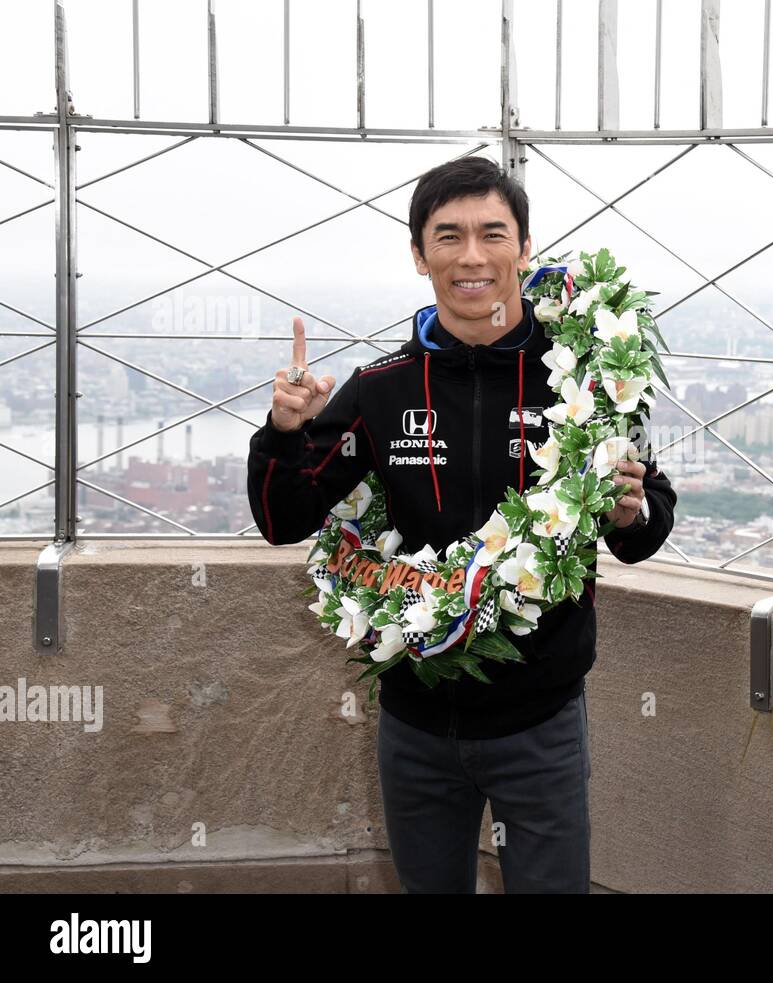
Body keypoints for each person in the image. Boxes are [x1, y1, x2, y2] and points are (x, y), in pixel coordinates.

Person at [246, 156, 676, 893]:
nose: (472, 257)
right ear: (420, 254)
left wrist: (631, 513)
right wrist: (283, 431)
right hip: (415, 723)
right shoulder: (381, 391)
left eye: (492, 234)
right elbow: (284, 517)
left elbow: (645, 518)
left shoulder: (580, 377)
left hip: (541, 723)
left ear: (525, 247)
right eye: (448, 236)